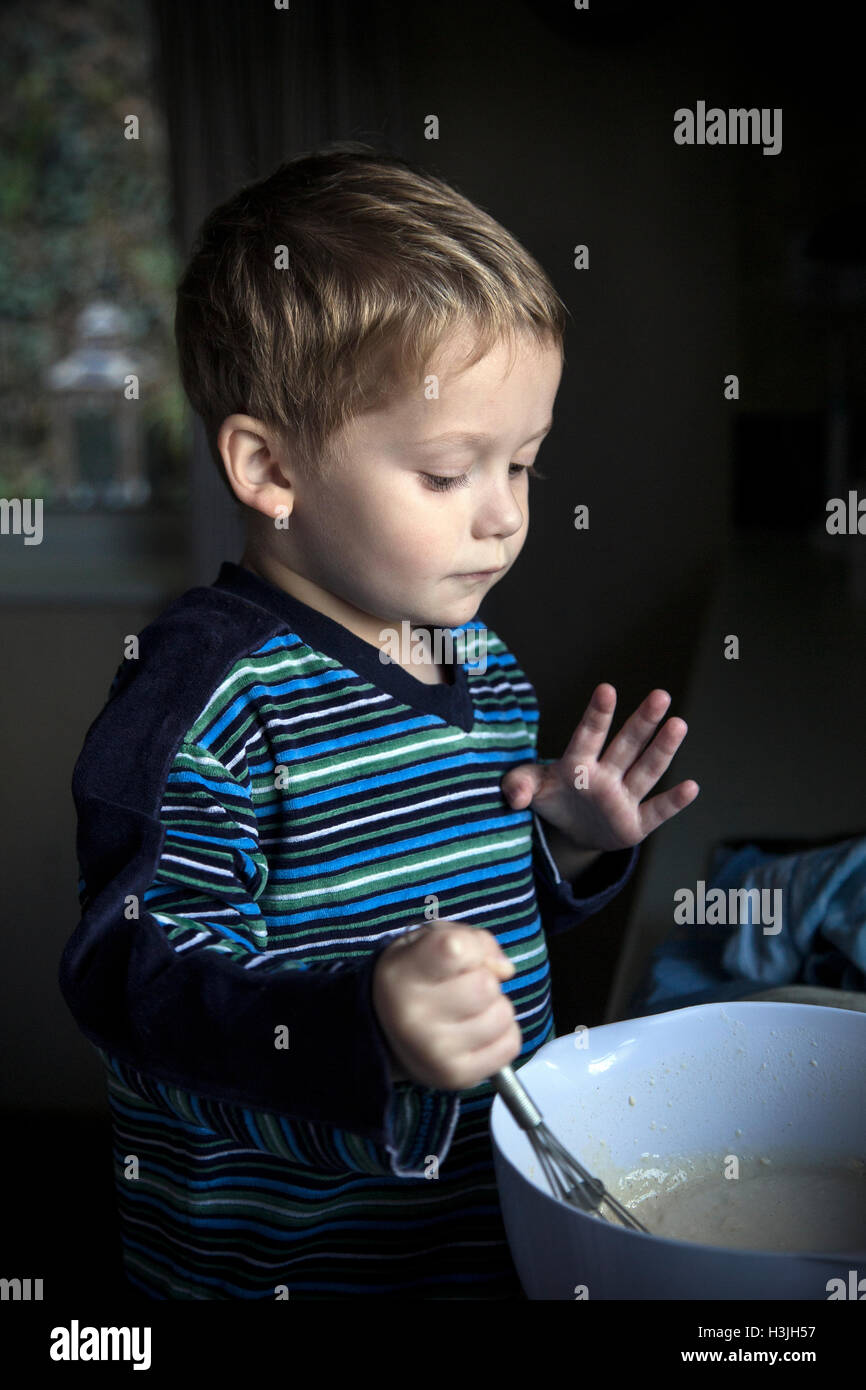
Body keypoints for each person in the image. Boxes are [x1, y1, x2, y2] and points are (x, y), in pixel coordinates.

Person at [59, 143, 698, 1299]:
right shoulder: (204, 700)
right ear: (269, 466)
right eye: (450, 474)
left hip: (480, 1232)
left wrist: (561, 845)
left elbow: (438, 888)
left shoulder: (480, 659)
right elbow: (129, 977)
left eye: (525, 465)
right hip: (296, 1265)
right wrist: (362, 1025)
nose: (502, 519)